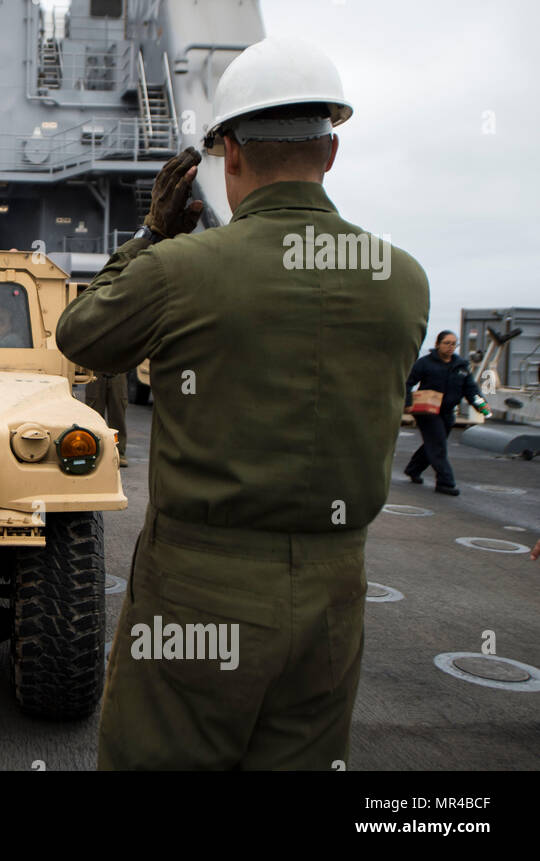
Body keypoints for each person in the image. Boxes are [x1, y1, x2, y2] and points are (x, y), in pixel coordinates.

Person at [56, 38, 430, 769]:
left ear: (230, 154)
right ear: (330, 152)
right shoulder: (403, 280)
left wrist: (152, 233)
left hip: (199, 589)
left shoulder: (179, 268)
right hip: (333, 596)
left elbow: (83, 336)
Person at [403, 330, 490, 496]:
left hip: (447, 412)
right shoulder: (425, 363)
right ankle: (445, 482)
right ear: (438, 344)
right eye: (447, 343)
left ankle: (413, 469)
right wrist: (407, 403)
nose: (451, 347)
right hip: (427, 411)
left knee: (435, 442)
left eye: (454, 344)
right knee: (438, 445)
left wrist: (482, 407)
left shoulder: (461, 366)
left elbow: (471, 390)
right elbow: (408, 382)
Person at [84, 372, 128, 466]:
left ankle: (118, 451)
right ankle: (93, 449)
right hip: (95, 372)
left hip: (118, 371)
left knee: (117, 414)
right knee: (94, 414)